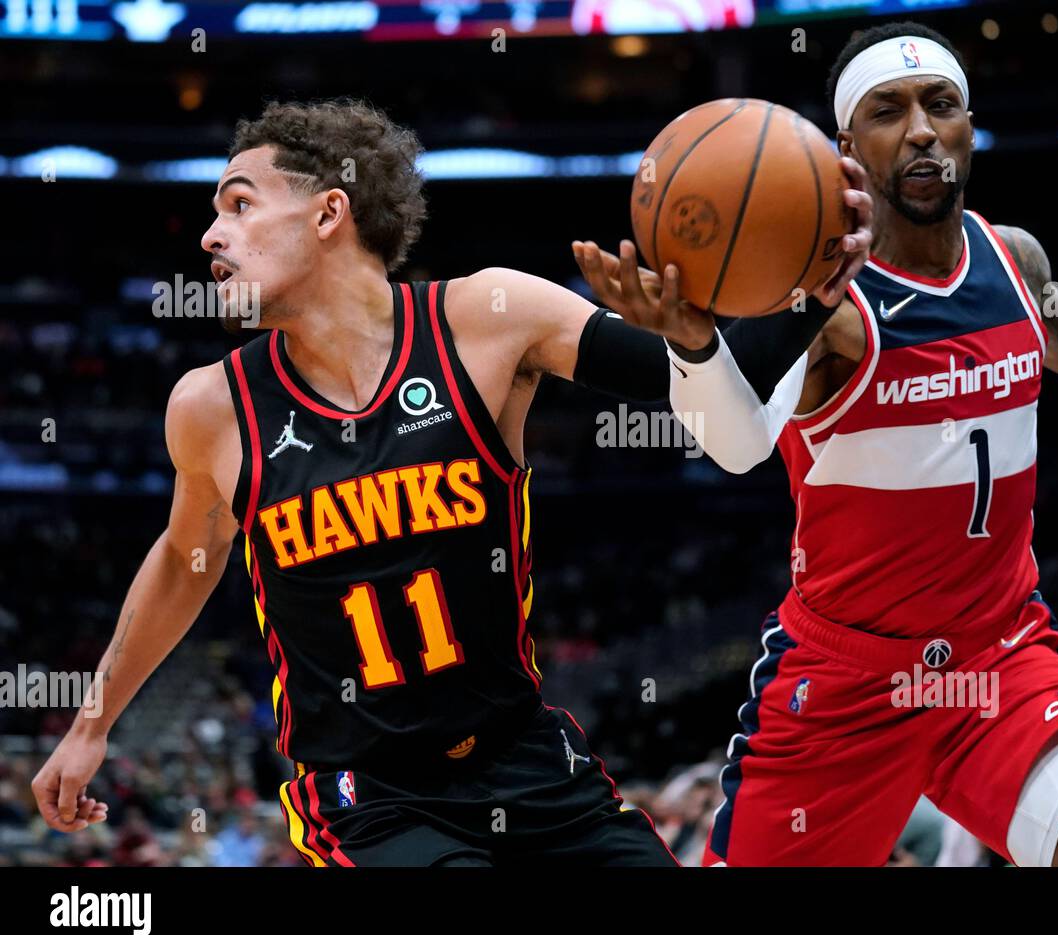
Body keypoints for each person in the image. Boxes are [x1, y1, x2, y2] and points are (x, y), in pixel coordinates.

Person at [30, 98, 872, 866]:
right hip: (370, 796)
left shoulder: (486, 319)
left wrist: (805, 292)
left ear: (331, 212)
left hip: (527, 757)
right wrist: (91, 724)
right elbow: (187, 560)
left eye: (239, 203)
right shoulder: (212, 407)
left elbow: (683, 376)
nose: (211, 234)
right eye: (215, 212)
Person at [578, 21, 1058, 866]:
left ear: (967, 127)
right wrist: (693, 348)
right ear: (845, 149)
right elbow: (733, 442)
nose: (922, 128)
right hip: (844, 687)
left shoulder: (1011, 259)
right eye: (890, 110)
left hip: (1000, 662)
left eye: (942, 105)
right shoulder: (818, 307)